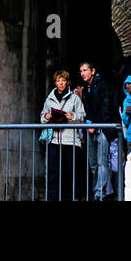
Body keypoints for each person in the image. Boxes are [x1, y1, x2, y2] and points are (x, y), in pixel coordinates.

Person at [40, 69, 86, 201]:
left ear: (67, 82)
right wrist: (46, 116)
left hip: (70, 140)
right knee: (53, 171)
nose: (61, 83)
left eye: (63, 80)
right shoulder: (49, 99)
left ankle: (74, 197)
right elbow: (42, 117)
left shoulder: (75, 99)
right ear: (55, 82)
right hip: (54, 140)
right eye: (59, 80)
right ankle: (52, 198)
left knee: (71, 171)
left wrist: (72, 116)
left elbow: (82, 115)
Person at [77, 60, 118, 201]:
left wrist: (96, 124)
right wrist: (88, 125)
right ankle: (98, 191)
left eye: (85, 70)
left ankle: (99, 193)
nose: (82, 73)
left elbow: (107, 107)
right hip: (91, 129)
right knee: (93, 163)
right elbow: (89, 110)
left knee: (102, 162)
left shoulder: (102, 85)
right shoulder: (87, 88)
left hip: (103, 129)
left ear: (92, 71)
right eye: (81, 71)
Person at [120, 74, 131, 162]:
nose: (129, 89)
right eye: (127, 88)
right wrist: (126, 114)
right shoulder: (126, 101)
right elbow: (125, 121)